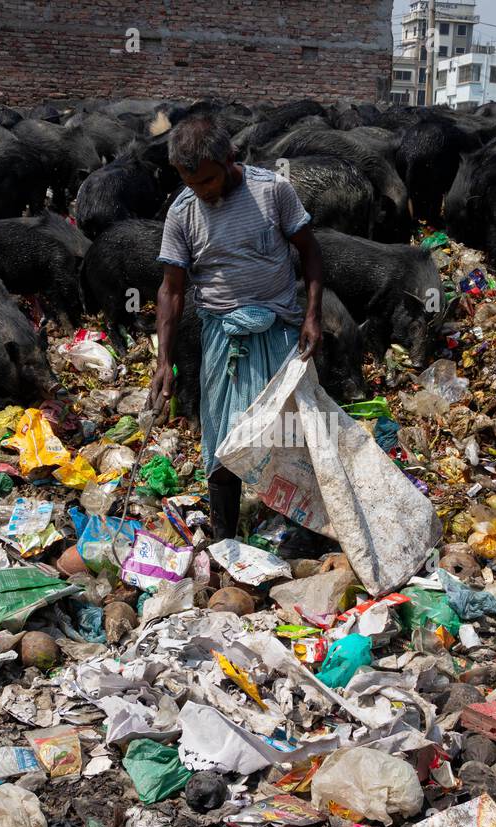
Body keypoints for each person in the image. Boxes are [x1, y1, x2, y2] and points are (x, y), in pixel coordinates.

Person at [148, 114, 324, 542]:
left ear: (230, 159)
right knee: (225, 443)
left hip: (281, 331)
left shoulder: (273, 191)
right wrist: (163, 361)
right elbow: (171, 291)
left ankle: (303, 532)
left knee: (291, 439)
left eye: (209, 180)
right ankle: (226, 538)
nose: (204, 191)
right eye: (193, 184)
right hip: (223, 340)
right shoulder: (183, 212)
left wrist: (312, 316)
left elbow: (310, 252)